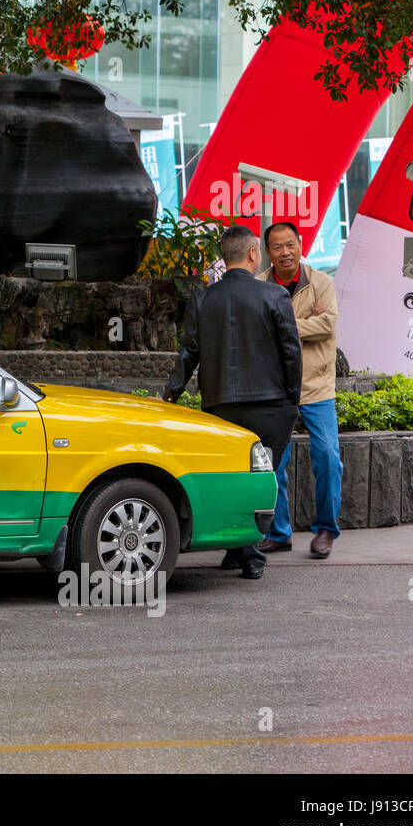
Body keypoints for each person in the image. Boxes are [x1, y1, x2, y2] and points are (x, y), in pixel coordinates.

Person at [164, 224, 302, 579]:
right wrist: (293, 398)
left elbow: (188, 353)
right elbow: (291, 353)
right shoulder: (274, 296)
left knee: (229, 477)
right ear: (254, 253)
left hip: (220, 406)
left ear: (224, 259)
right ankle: (250, 555)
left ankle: (236, 549)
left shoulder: (202, 298)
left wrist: (169, 395)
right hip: (270, 405)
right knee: (262, 477)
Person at [256, 221, 344, 559]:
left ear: (300, 244)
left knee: (327, 458)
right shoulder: (259, 286)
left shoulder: (322, 282)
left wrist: (282, 324)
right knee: (273, 463)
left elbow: (327, 325)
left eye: (290, 244)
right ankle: (279, 532)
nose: (285, 252)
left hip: (317, 386)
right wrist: (306, 322)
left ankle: (325, 529)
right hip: (275, 387)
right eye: (277, 247)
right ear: (267, 252)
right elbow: (257, 330)